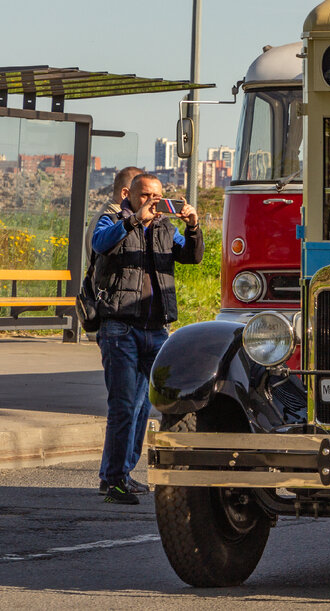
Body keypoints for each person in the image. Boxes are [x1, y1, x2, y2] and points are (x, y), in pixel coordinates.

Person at [92, 173, 203, 504]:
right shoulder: (112, 220)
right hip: (119, 328)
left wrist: (193, 226)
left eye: (157, 196)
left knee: (143, 408)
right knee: (124, 404)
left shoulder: (166, 229)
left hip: (155, 329)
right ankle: (113, 480)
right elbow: (100, 244)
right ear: (130, 195)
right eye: (145, 196)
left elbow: (193, 257)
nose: (152, 202)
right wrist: (134, 222)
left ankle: (123, 473)